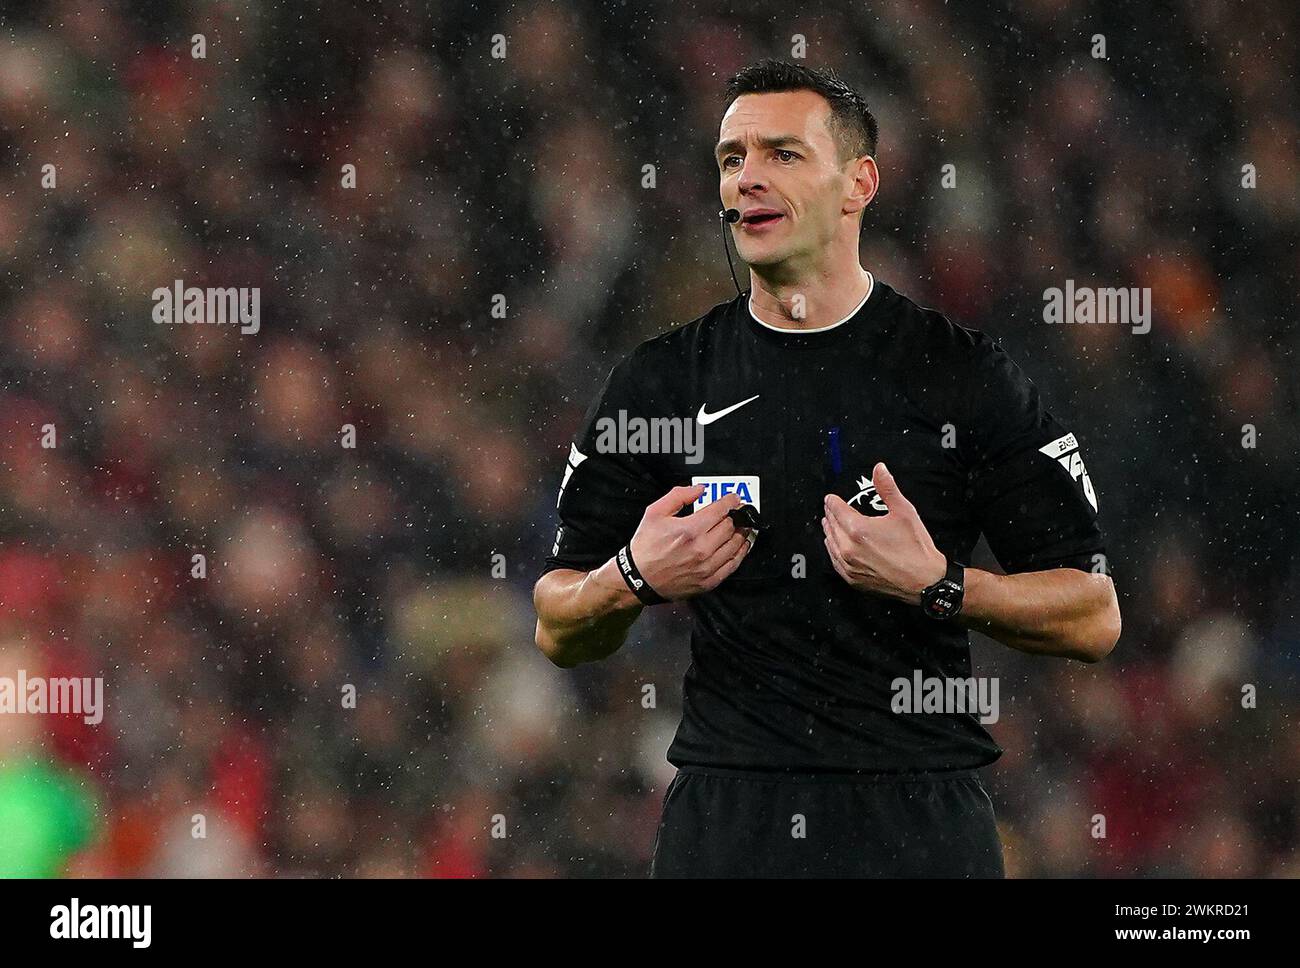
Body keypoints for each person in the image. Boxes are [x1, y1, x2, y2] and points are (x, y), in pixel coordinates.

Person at [532, 59, 1121, 878]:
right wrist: (630, 574)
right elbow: (556, 623)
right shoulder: (663, 380)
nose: (747, 180)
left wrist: (944, 585)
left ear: (858, 184)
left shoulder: (959, 373)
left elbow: (1094, 615)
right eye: (731, 159)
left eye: (782, 154)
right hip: (730, 820)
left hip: (916, 817)